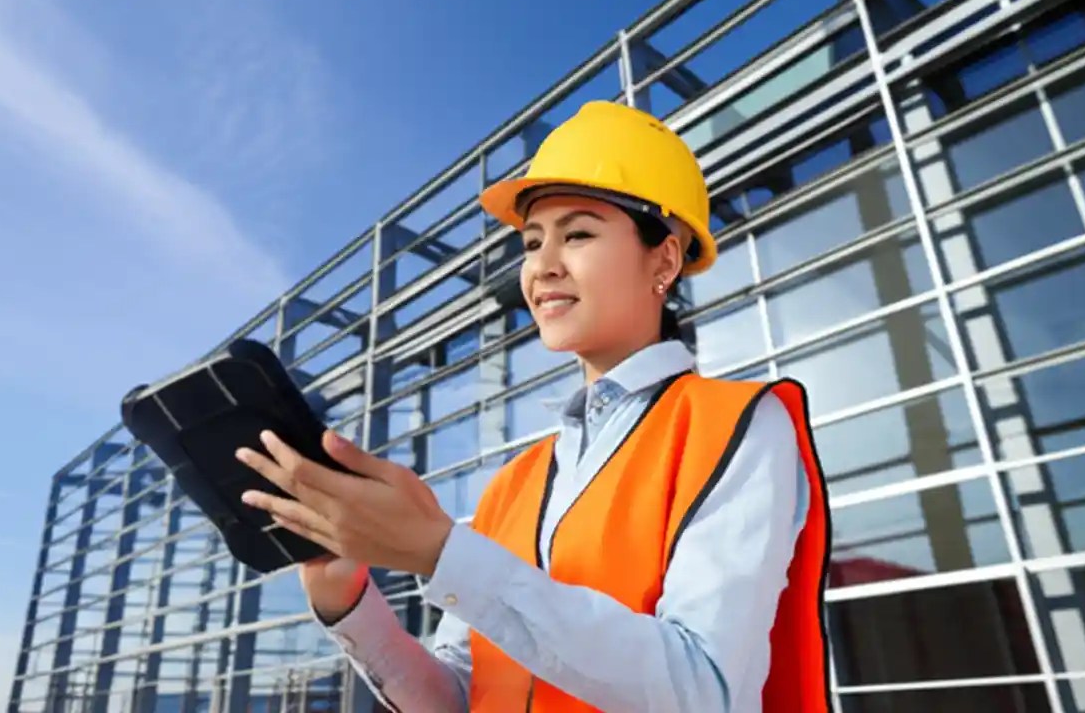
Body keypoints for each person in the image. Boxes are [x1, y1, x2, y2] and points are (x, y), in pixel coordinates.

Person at [235, 100, 832, 712]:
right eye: (531, 242)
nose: (543, 266)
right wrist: (350, 604)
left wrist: (441, 554)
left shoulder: (737, 426)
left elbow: (701, 689)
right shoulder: (512, 485)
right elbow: (459, 700)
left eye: (577, 234)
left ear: (664, 259)